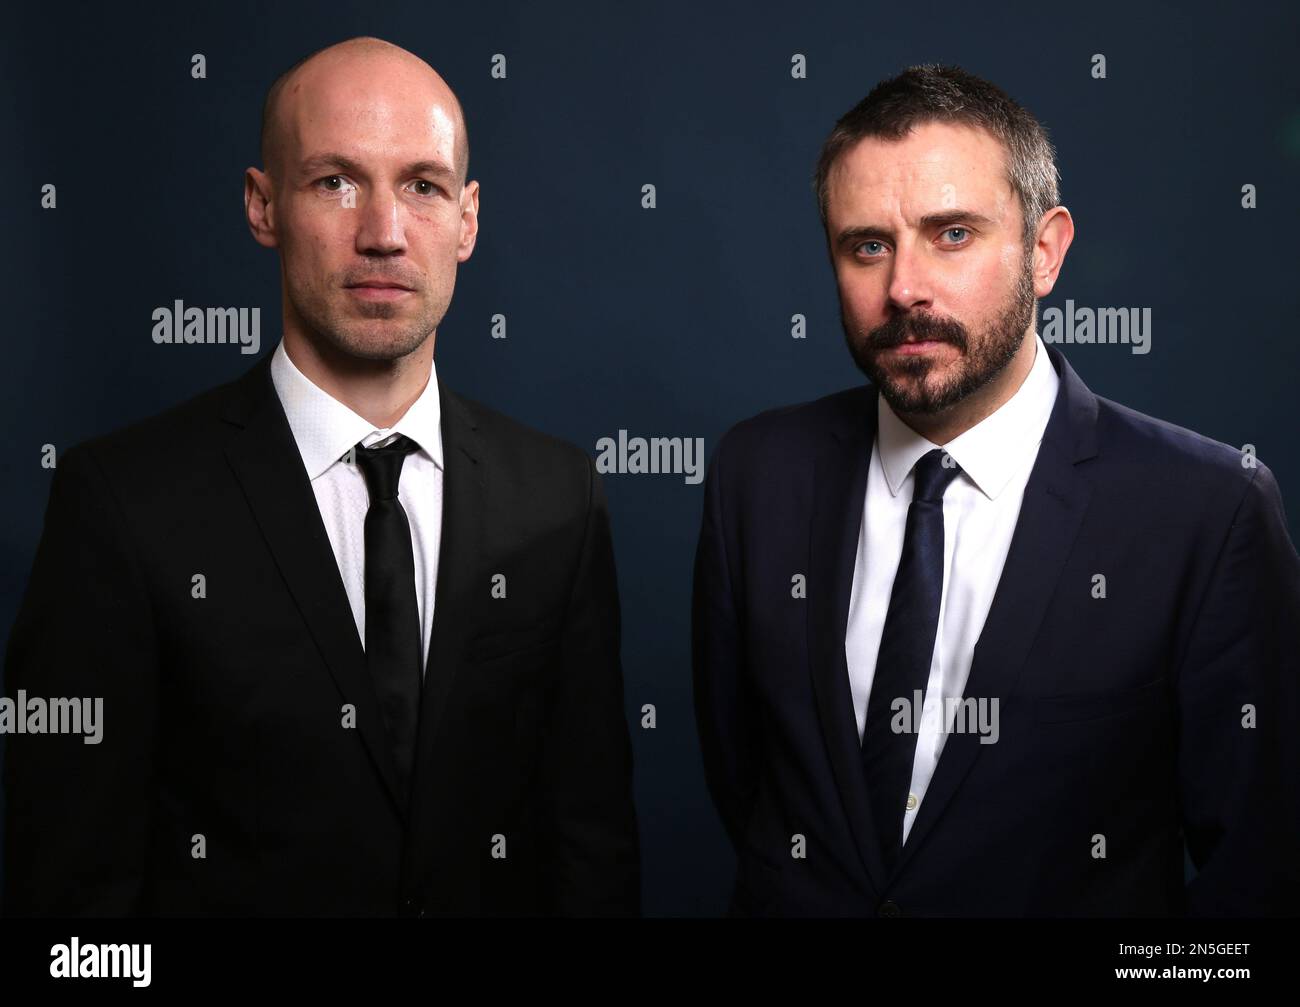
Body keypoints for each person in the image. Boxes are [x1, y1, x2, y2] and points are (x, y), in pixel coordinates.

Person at [2, 36, 640, 917]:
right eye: (335, 181)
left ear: (468, 218)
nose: (382, 233)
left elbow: (591, 852)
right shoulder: (120, 503)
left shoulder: (562, 496)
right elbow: (68, 903)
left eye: (422, 185)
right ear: (263, 206)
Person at [692, 63, 1300, 917]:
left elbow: (1260, 882)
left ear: (1045, 251)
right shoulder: (757, 476)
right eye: (868, 244)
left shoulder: (1207, 510)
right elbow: (749, 787)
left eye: (951, 235)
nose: (904, 287)